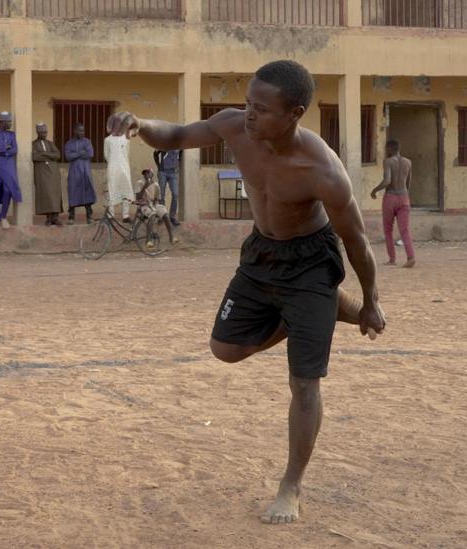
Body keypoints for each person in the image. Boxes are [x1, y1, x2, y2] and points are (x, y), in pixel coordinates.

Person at [106, 59, 385, 526]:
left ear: (294, 113)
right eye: (248, 103)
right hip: (261, 255)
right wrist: (139, 124)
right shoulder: (236, 128)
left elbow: (356, 239)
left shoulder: (322, 170)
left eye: (261, 108)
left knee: (303, 381)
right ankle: (323, 309)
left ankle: (291, 484)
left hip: (312, 261)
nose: (249, 114)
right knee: (225, 348)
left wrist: (372, 299)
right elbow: (175, 135)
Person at [370, 139, 415, 268]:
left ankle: (392, 258)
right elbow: (408, 182)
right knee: (404, 230)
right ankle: (410, 257)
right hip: (404, 197)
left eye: (386, 148)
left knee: (388, 230)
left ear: (389, 149)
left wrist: (374, 190)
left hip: (390, 197)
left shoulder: (388, 162)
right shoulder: (408, 162)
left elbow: (387, 181)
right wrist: (405, 194)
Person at [0, 111, 21, 231]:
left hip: (8, 165)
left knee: (8, 190)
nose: (11, 124)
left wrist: (3, 151)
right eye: (9, 122)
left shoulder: (12, 135)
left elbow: (15, 150)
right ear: (2, 122)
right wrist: (5, 149)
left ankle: (3, 217)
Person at [64, 122, 97, 224]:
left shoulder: (87, 142)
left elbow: (90, 154)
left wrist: (76, 154)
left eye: (83, 130)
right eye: (80, 130)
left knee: (87, 192)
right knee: (72, 192)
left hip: (85, 171)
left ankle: (89, 216)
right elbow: (68, 156)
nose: (82, 132)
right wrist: (81, 153)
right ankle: (71, 217)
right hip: (74, 171)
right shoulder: (69, 143)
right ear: (75, 131)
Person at [134, 168, 177, 244]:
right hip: (144, 205)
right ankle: (148, 240)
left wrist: (154, 206)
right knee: (152, 215)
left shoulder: (156, 185)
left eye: (148, 173)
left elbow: (157, 199)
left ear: (152, 175)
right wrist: (144, 187)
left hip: (153, 204)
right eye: (145, 173)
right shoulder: (139, 183)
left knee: (165, 213)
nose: (146, 175)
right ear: (143, 175)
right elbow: (137, 198)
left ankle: (172, 237)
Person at [32, 122, 63, 226]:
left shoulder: (50, 143)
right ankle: (48, 218)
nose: (44, 134)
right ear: (38, 132)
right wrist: (49, 156)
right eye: (42, 132)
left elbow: (57, 155)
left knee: (55, 194)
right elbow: (35, 157)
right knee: (45, 195)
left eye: (45, 132)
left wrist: (43, 154)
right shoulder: (33, 144)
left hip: (53, 173)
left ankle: (56, 217)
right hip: (42, 174)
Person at [104, 131, 135, 223]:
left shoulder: (126, 139)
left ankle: (126, 216)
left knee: (126, 190)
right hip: (112, 168)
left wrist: (121, 162)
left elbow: (127, 153)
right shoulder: (107, 140)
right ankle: (110, 215)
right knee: (111, 189)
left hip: (124, 168)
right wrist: (114, 162)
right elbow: (106, 155)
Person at [153, 149, 182, 226]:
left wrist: (177, 167)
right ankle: (162, 216)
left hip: (173, 173)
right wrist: (159, 166)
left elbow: (179, 157)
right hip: (163, 173)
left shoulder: (180, 145)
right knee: (161, 195)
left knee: (175, 194)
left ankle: (172, 217)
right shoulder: (164, 142)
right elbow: (155, 154)